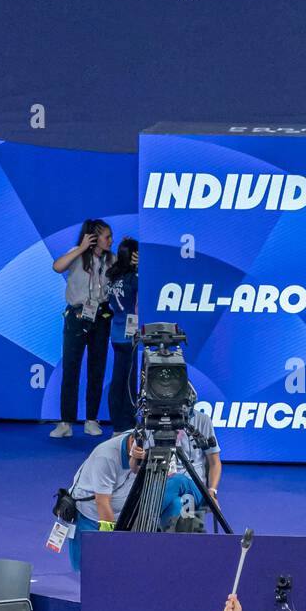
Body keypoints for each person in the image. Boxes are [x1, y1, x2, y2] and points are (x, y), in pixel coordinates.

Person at [66, 416, 221, 571]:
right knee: (84, 571)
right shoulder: (105, 456)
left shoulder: (146, 439)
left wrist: (211, 492)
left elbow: (163, 477)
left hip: (131, 510)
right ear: (133, 445)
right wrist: (112, 542)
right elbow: (102, 503)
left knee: (178, 493)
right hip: (92, 516)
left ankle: (170, 560)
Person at [49, 219, 114, 440]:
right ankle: (66, 421)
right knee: (71, 368)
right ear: (93, 237)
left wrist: (127, 252)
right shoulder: (76, 254)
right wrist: (82, 248)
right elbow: (57, 267)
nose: (110, 241)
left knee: (97, 368)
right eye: (107, 237)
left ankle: (91, 420)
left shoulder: (110, 259)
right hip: (76, 317)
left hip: (101, 316)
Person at [106, 237, 139, 434]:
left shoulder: (114, 276)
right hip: (130, 337)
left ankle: (117, 424)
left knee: (118, 379)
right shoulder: (134, 279)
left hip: (116, 334)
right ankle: (126, 425)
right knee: (128, 381)